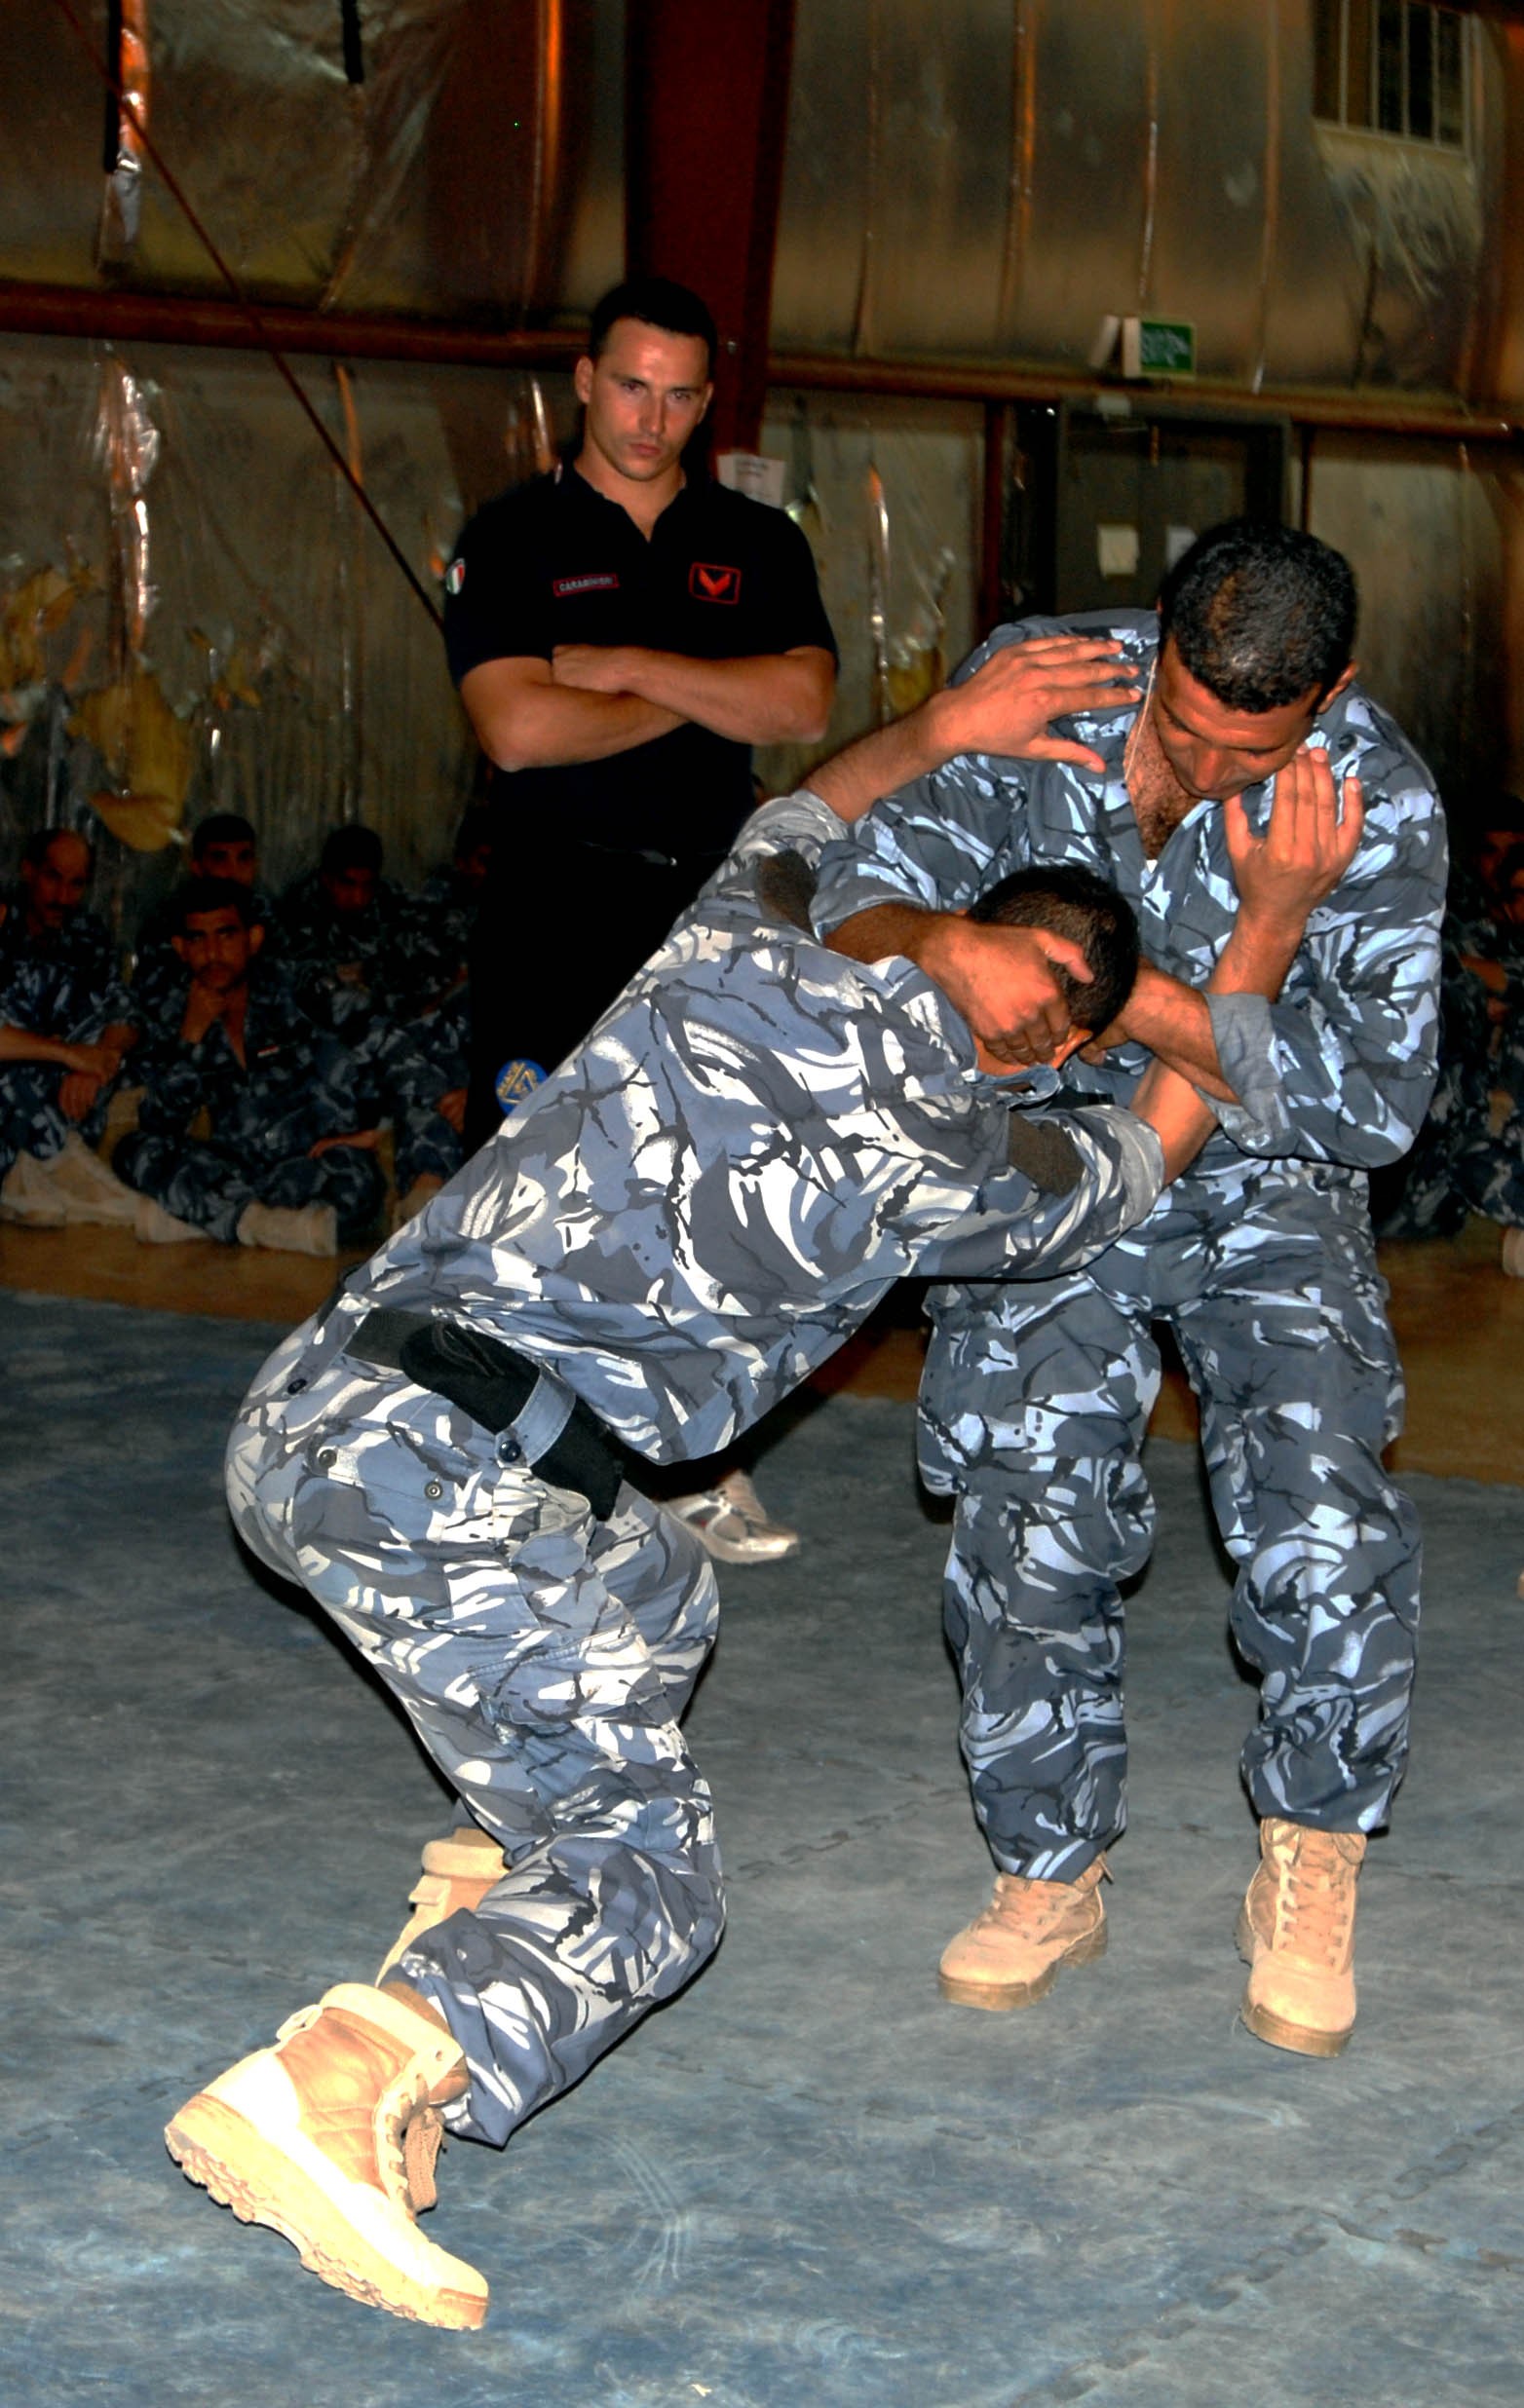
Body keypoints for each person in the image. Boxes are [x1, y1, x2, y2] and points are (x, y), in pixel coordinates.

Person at [164, 786, 1235, 2330]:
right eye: (1056, 985)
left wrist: (947, 733)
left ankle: (491, 1859)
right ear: (1001, 983)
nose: (1049, 1006)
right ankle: (339, 2076)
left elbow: (800, 813)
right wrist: (1250, 953)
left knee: (666, 1586)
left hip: (320, 1415)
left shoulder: (738, 945)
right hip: (440, 1486)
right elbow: (1138, 1159)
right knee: (656, 1880)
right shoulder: (956, 1145)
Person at [806, 518, 1445, 2060]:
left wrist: (1173, 982)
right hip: (1049, 1149)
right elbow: (846, 896)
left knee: (1320, 1489)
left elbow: (1368, 1114)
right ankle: (1047, 1866)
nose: (1216, 775)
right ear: (1155, 638)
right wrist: (957, 950)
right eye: (1185, 728)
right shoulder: (1035, 689)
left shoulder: (1381, 803)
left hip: (1262, 1175)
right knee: (1028, 1492)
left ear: (1332, 691)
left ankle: (1312, 1855)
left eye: (1256, 750)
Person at [445, 275, 839, 1563]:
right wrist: (707, 695)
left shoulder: (758, 544)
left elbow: (804, 709)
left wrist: (621, 668)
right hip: (555, 900)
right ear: (583, 378)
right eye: (631, 385)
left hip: (706, 898)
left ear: (709, 400)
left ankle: (695, 1465)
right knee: (533, 1188)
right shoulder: (513, 539)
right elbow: (516, 726)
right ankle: (509, 1461)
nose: (650, 418)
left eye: (679, 395)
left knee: (707, 1185)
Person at [114, 879, 386, 1253]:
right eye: (198, 939)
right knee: (135, 1151)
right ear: (181, 948)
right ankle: (256, 1224)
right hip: (233, 1168)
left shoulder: (298, 990)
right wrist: (190, 1036)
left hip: (306, 1161)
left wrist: (375, 1128)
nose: (213, 953)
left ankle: (208, 1219)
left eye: (226, 936)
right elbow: (162, 1124)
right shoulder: (174, 1008)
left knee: (359, 1179)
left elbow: (385, 1038)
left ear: (253, 939)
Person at [0, 826, 139, 1227]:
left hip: (56, 1086)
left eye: (76, 883)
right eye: (52, 878)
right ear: (28, 871)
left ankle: (36, 1170)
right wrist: (67, 1054)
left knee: (122, 1062)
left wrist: (100, 1059)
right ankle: (52, 1164)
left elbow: (124, 1013)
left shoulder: (86, 935)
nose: (62, 896)